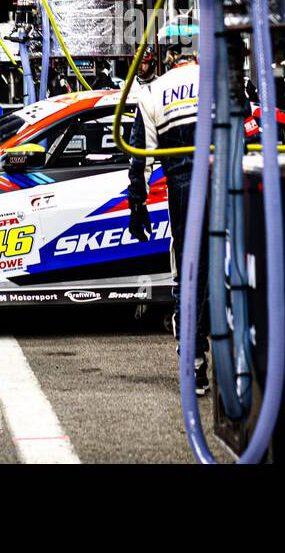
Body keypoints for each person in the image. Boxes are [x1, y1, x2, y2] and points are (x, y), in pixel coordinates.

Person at [124, 50, 209, 395]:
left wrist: (137, 204)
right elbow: (248, 125)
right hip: (228, 179)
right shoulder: (220, 77)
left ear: (171, 61)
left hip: (184, 186)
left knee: (191, 273)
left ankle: (195, 366)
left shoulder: (153, 92)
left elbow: (140, 157)